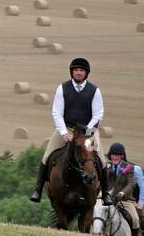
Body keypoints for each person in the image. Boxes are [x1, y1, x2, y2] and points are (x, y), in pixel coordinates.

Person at [30, 57, 104, 202]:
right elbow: (57, 112)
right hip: (67, 128)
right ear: (72, 72)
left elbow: (98, 114)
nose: (78, 73)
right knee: (47, 156)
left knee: (101, 159)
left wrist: (87, 132)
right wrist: (64, 132)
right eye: (76, 70)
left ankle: (106, 192)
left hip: (87, 132)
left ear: (86, 73)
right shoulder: (62, 88)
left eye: (81, 70)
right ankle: (37, 189)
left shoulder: (94, 90)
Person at [103, 142, 143, 236]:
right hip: (109, 200)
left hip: (125, 200)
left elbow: (131, 183)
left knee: (136, 220)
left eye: (117, 155)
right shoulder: (107, 167)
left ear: (121, 156)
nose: (114, 157)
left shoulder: (129, 167)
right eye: (112, 155)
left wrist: (122, 192)